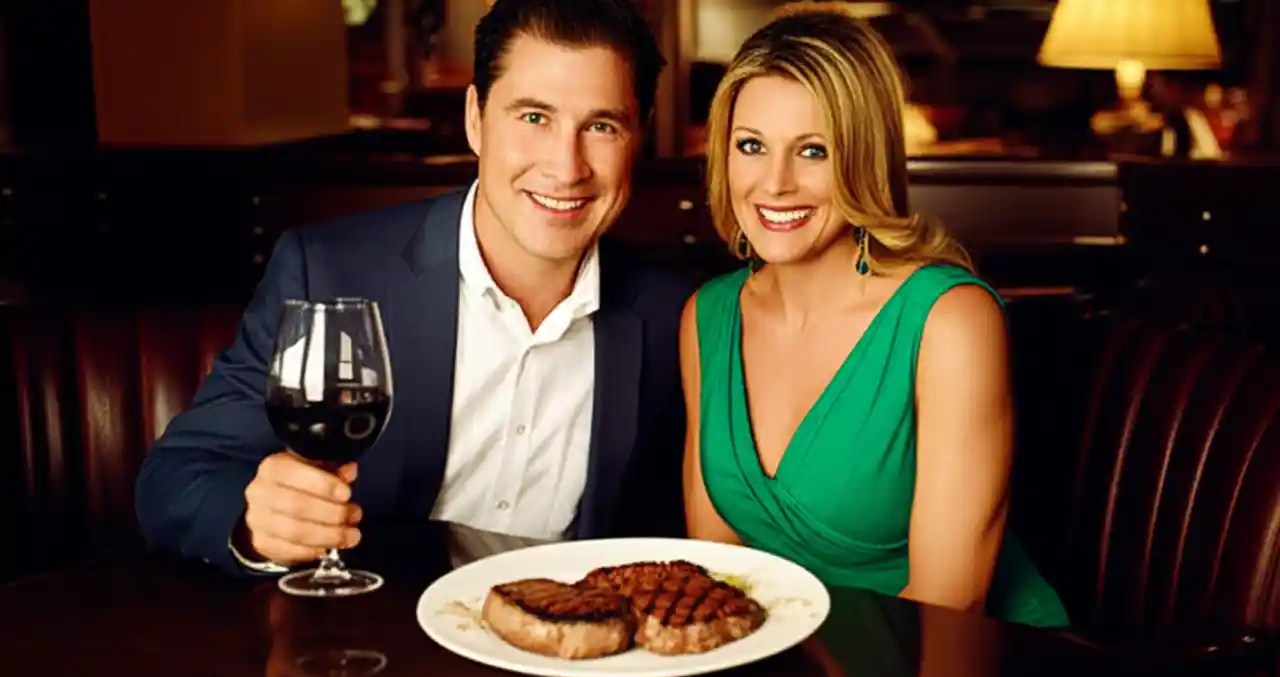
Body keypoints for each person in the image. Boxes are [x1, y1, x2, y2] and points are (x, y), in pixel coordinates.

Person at [135, 0, 691, 576]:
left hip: (569, 653)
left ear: (637, 139)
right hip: (371, 646)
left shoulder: (676, 316)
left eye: (601, 126)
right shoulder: (330, 273)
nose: (566, 165)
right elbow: (178, 476)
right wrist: (255, 525)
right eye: (533, 117)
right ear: (476, 118)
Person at [680, 4, 1069, 628]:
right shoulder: (709, 316)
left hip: (955, 664)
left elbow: (949, 606)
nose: (774, 183)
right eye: (751, 146)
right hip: (791, 673)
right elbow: (718, 571)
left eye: (813, 150)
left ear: (865, 158)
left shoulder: (949, 320)